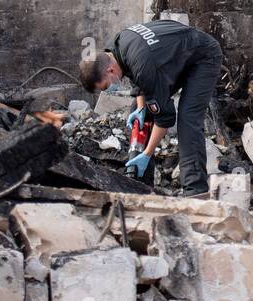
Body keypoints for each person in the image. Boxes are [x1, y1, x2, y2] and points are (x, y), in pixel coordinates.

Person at [78, 19, 223, 195]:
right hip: (174, 57)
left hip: (203, 57)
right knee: (140, 110)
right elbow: (137, 78)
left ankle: (195, 190)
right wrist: (140, 109)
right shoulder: (115, 48)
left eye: (106, 86)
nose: (110, 88)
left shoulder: (143, 68)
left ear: (110, 71)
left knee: (188, 118)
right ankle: (142, 185)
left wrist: (147, 152)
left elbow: (164, 120)